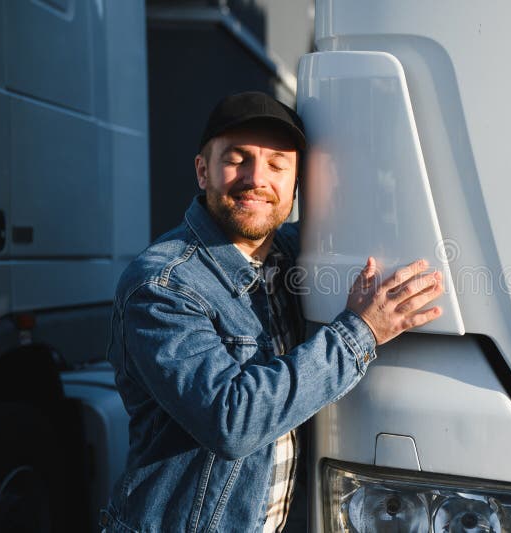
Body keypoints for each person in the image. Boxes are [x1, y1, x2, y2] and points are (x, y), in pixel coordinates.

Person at [100, 91, 444, 532]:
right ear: (202, 171)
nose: (256, 178)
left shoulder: (288, 255)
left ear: (297, 183)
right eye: (237, 159)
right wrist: (361, 331)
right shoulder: (161, 285)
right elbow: (232, 421)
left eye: (277, 166)